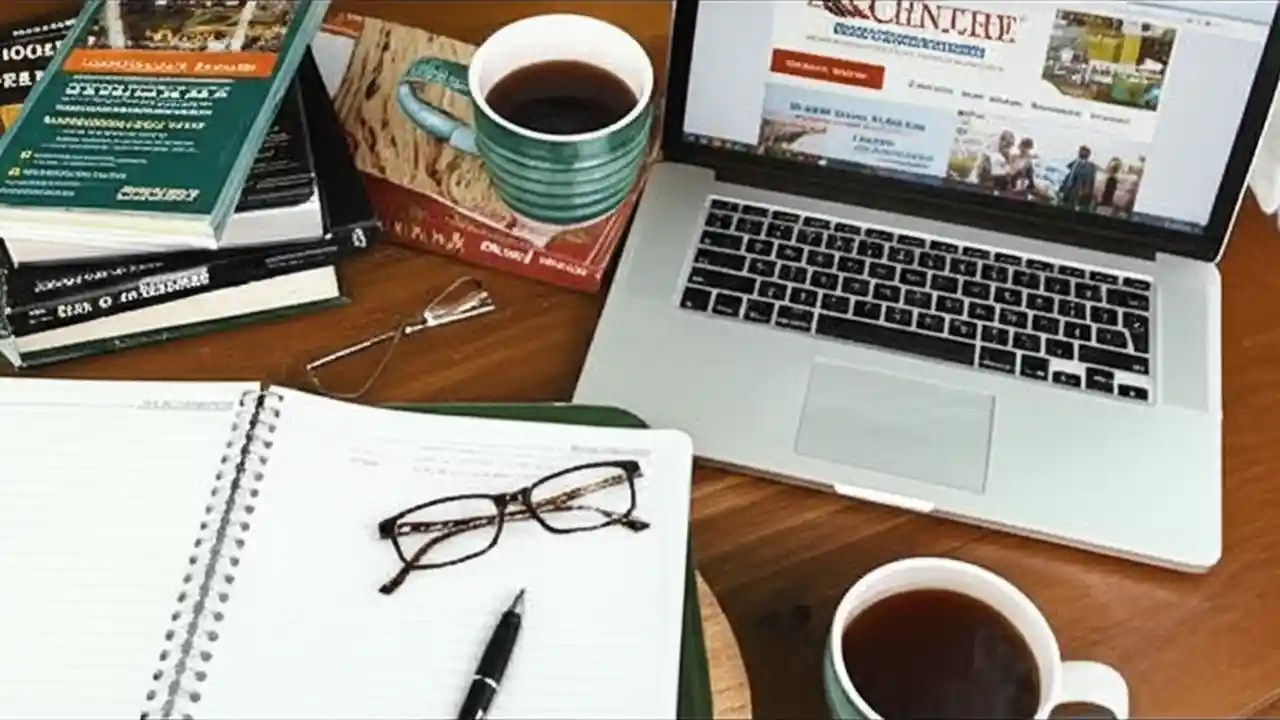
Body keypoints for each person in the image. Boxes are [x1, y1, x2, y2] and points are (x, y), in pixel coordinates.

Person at [1059, 145, 1098, 211]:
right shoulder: (1073, 163)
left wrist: (1086, 193)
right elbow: (1067, 175)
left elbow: (1090, 181)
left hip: (1079, 193)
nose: (1082, 152)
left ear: (1088, 154)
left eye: (1085, 151)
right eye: (1081, 150)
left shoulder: (1091, 167)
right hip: (1067, 191)